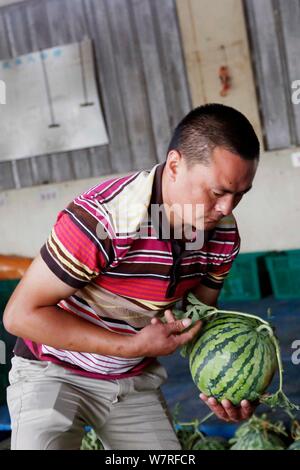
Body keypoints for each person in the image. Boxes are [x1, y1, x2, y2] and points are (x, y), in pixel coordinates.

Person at [4, 103, 260, 450]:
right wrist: (131, 346)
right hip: (52, 370)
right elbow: (19, 315)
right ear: (174, 166)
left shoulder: (222, 234)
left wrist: (227, 385)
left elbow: (197, 318)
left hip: (131, 382)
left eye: (240, 194)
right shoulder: (105, 220)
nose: (228, 208)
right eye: (218, 192)